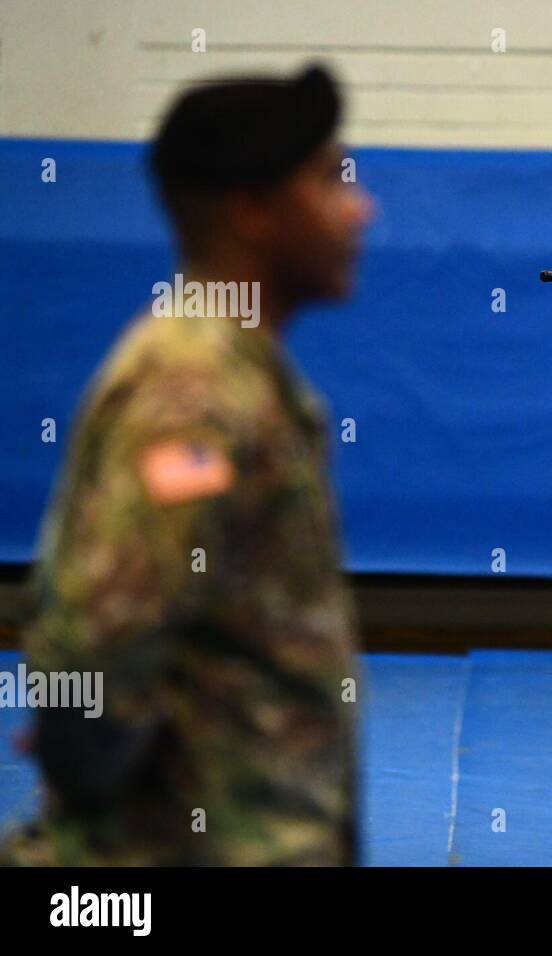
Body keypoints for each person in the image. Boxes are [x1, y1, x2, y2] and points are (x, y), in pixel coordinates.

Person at [2, 64, 373, 865]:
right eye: (330, 180)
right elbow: (102, 642)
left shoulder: (235, 370)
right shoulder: (192, 392)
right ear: (252, 208)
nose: (360, 207)